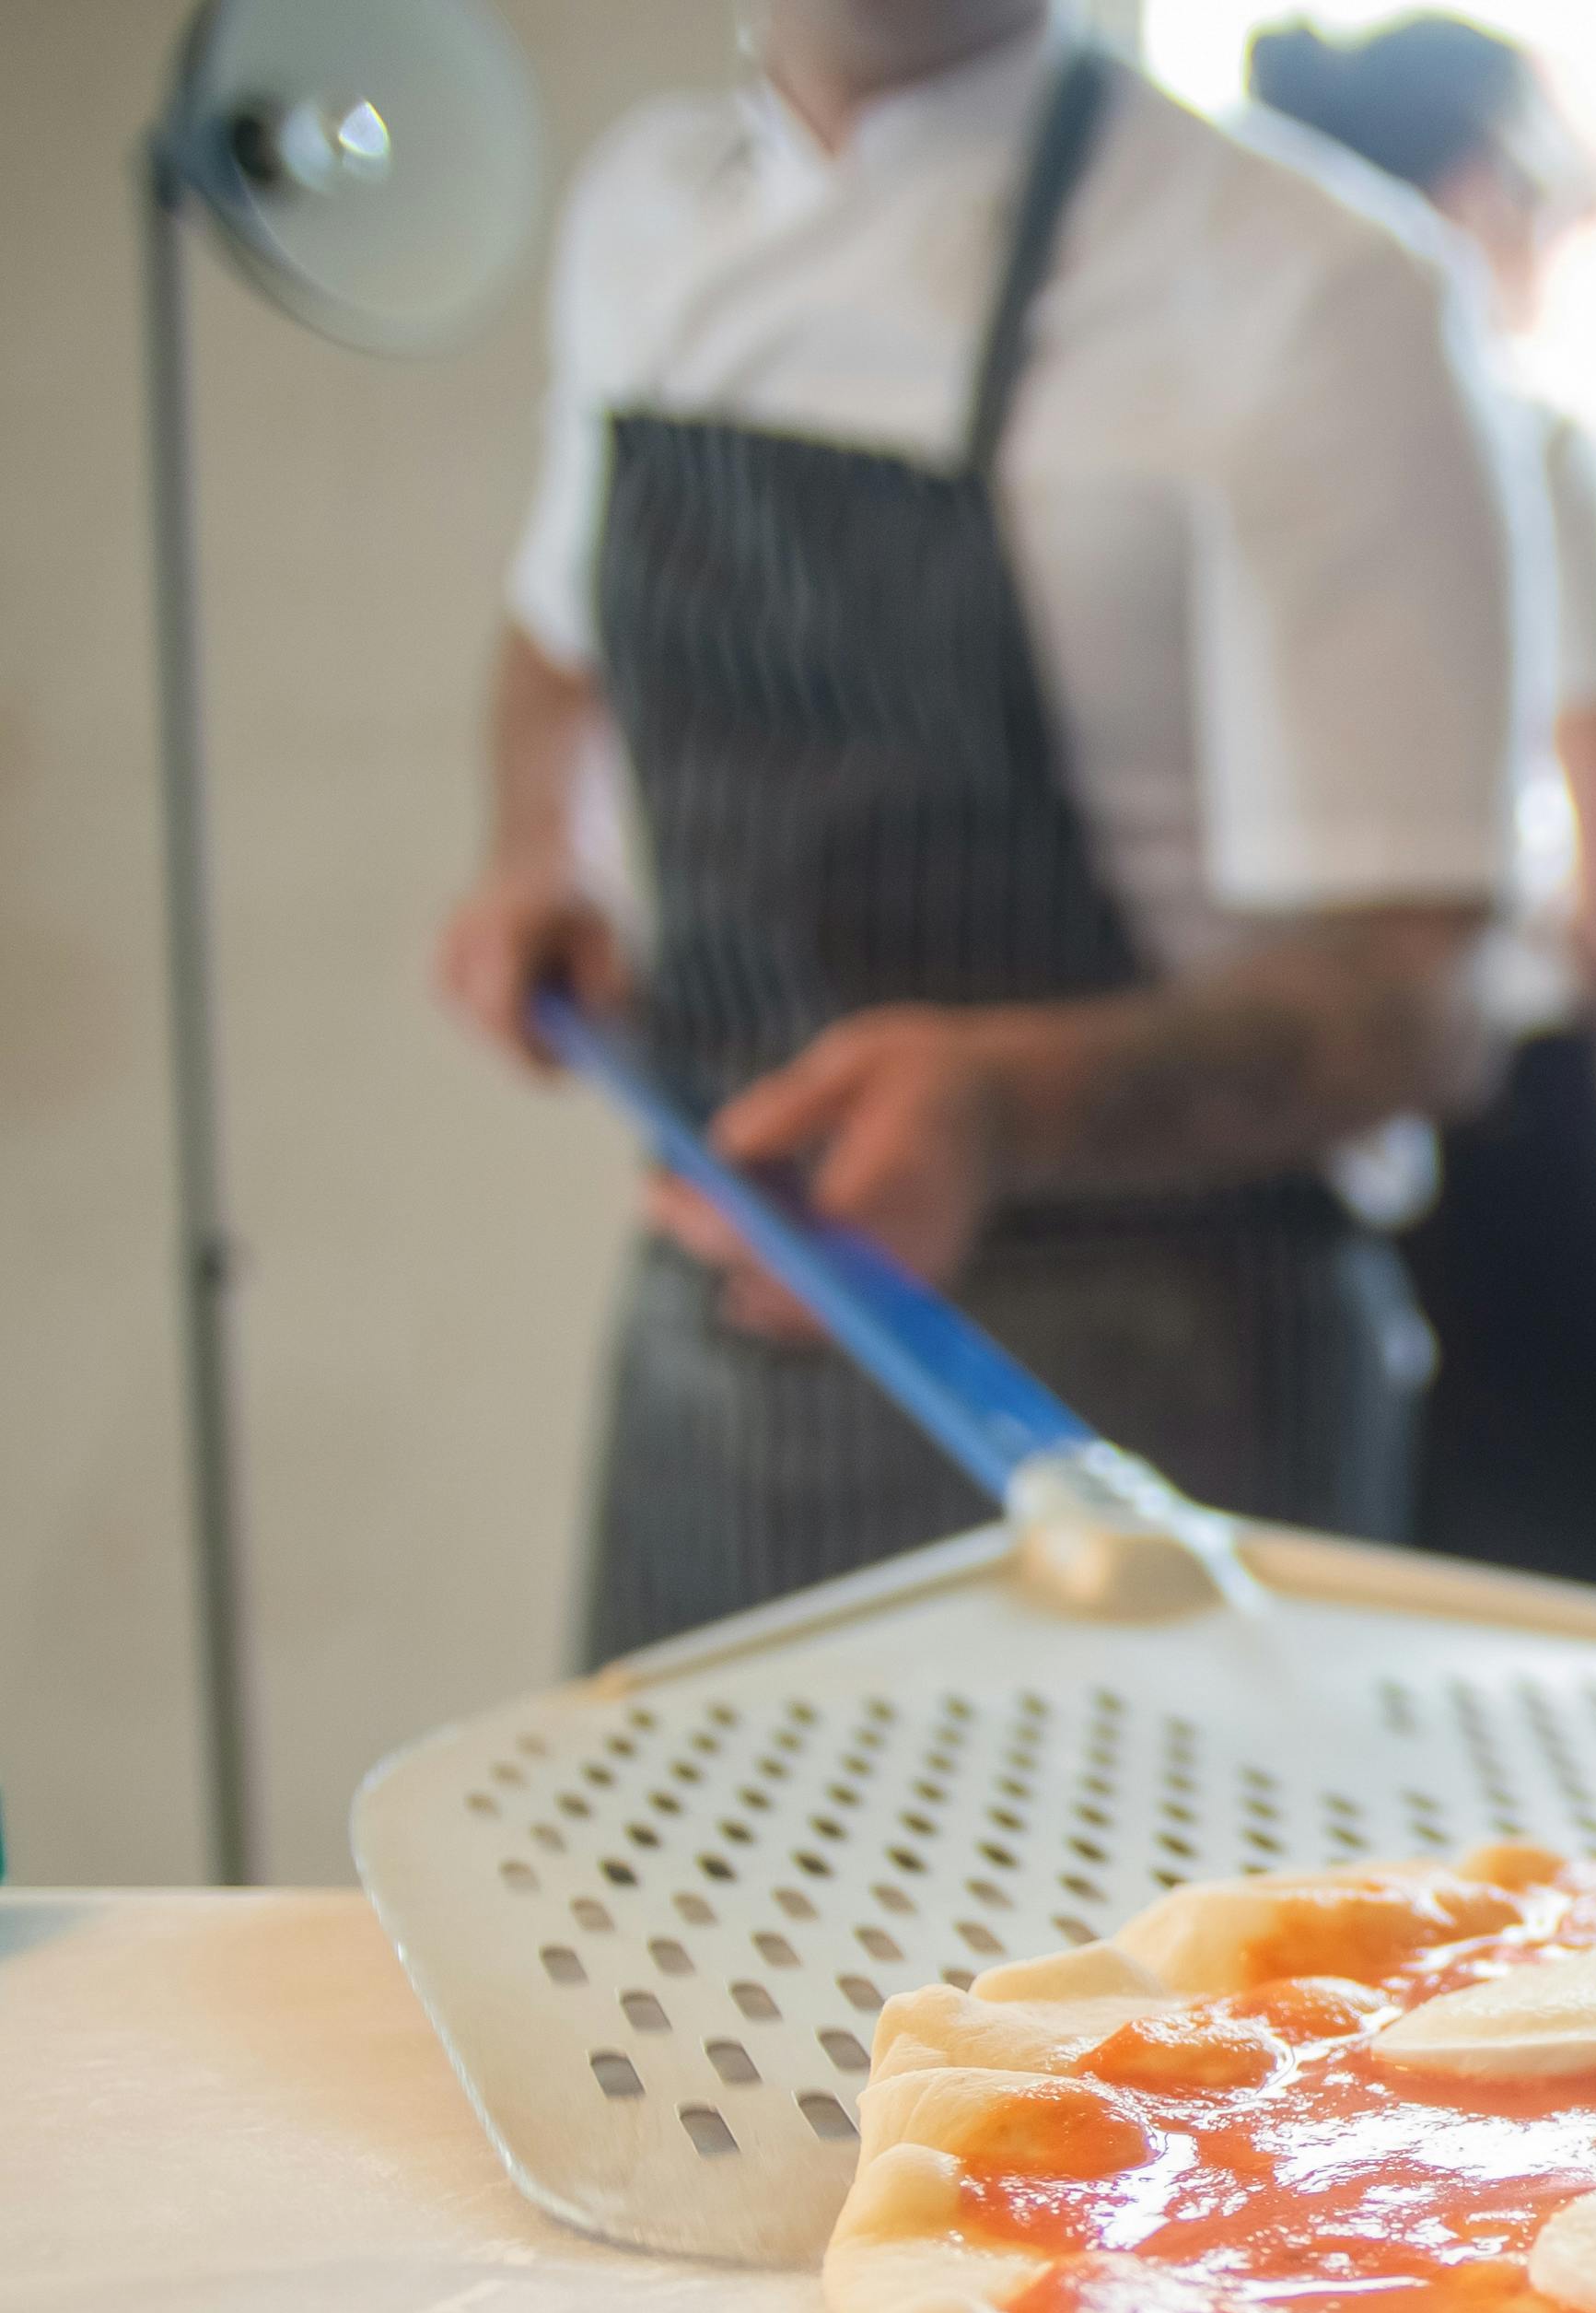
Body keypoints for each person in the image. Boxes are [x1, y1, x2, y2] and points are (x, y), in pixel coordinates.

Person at [432, 0, 1529, 1661]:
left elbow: (1421, 998)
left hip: (1155, 1396)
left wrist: (1009, 1100)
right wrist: (542, 853)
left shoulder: (1309, 283)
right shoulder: (641, 214)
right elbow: (551, 636)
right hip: (719, 1355)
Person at [1245, 14, 1596, 1600]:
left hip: (1274, 1107)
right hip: (1500, 1100)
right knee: (1578, 1586)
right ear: (1470, 193)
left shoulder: (1248, 425)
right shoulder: (1532, 444)